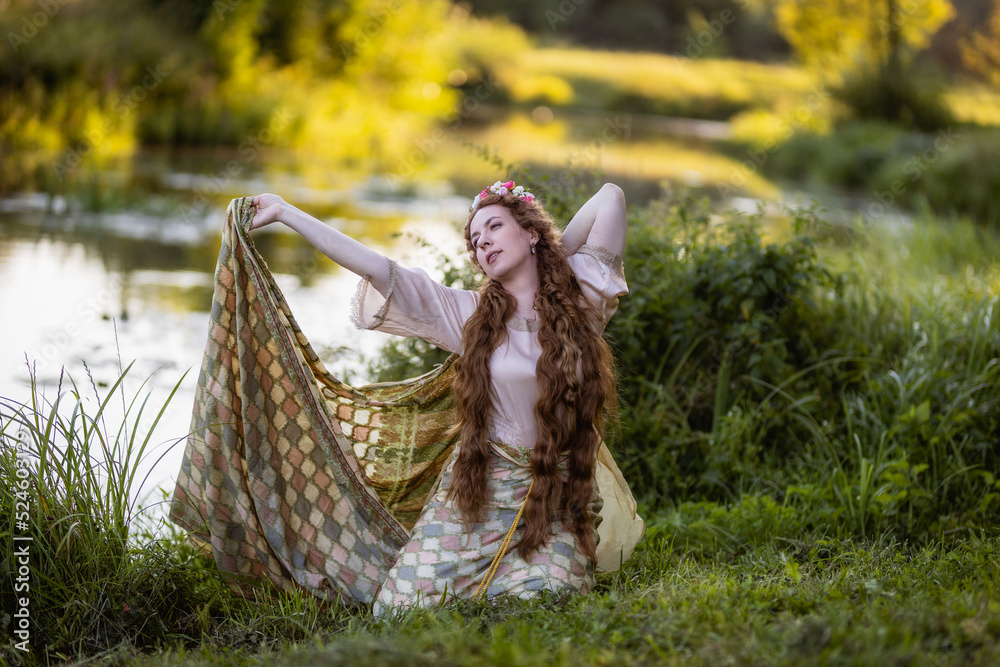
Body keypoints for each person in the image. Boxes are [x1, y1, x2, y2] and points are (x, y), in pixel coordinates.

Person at [172, 180, 640, 614]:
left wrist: (555, 254)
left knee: (546, 598)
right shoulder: (471, 317)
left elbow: (610, 198)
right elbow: (378, 267)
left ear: (530, 232)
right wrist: (287, 213)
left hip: (557, 499)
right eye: (476, 241)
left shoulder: (582, 300)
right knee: (396, 609)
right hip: (478, 494)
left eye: (495, 227)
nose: (484, 244)